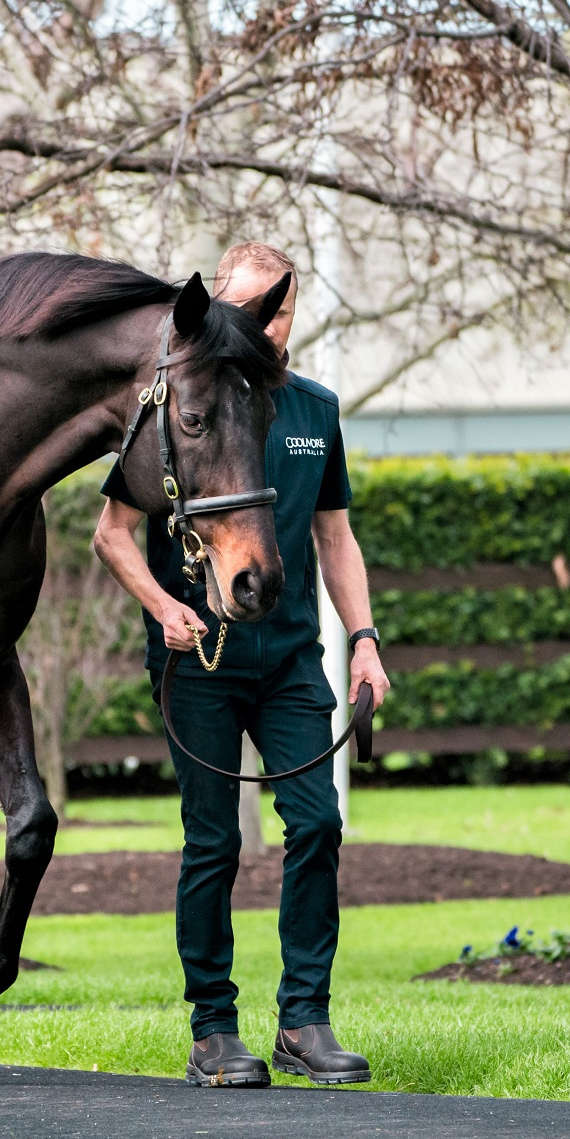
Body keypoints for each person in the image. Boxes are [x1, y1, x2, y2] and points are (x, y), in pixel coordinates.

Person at [92, 242, 391, 1088]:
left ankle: (304, 1020)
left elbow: (336, 538)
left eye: (279, 309)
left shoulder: (315, 412)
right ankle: (213, 1030)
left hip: (293, 656)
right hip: (202, 661)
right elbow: (112, 533)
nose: (267, 324)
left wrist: (364, 641)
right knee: (213, 841)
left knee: (320, 825)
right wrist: (164, 609)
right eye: (251, 308)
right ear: (220, 310)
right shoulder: (178, 403)